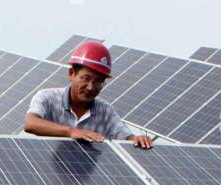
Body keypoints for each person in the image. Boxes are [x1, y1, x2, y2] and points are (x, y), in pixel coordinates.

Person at [24, 40, 154, 148]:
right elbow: (30, 123)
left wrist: (137, 139)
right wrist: (71, 132)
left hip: (88, 176)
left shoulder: (105, 111)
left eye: (99, 82)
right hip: (50, 171)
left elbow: (125, 137)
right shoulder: (47, 98)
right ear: (71, 74)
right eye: (85, 78)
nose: (91, 87)